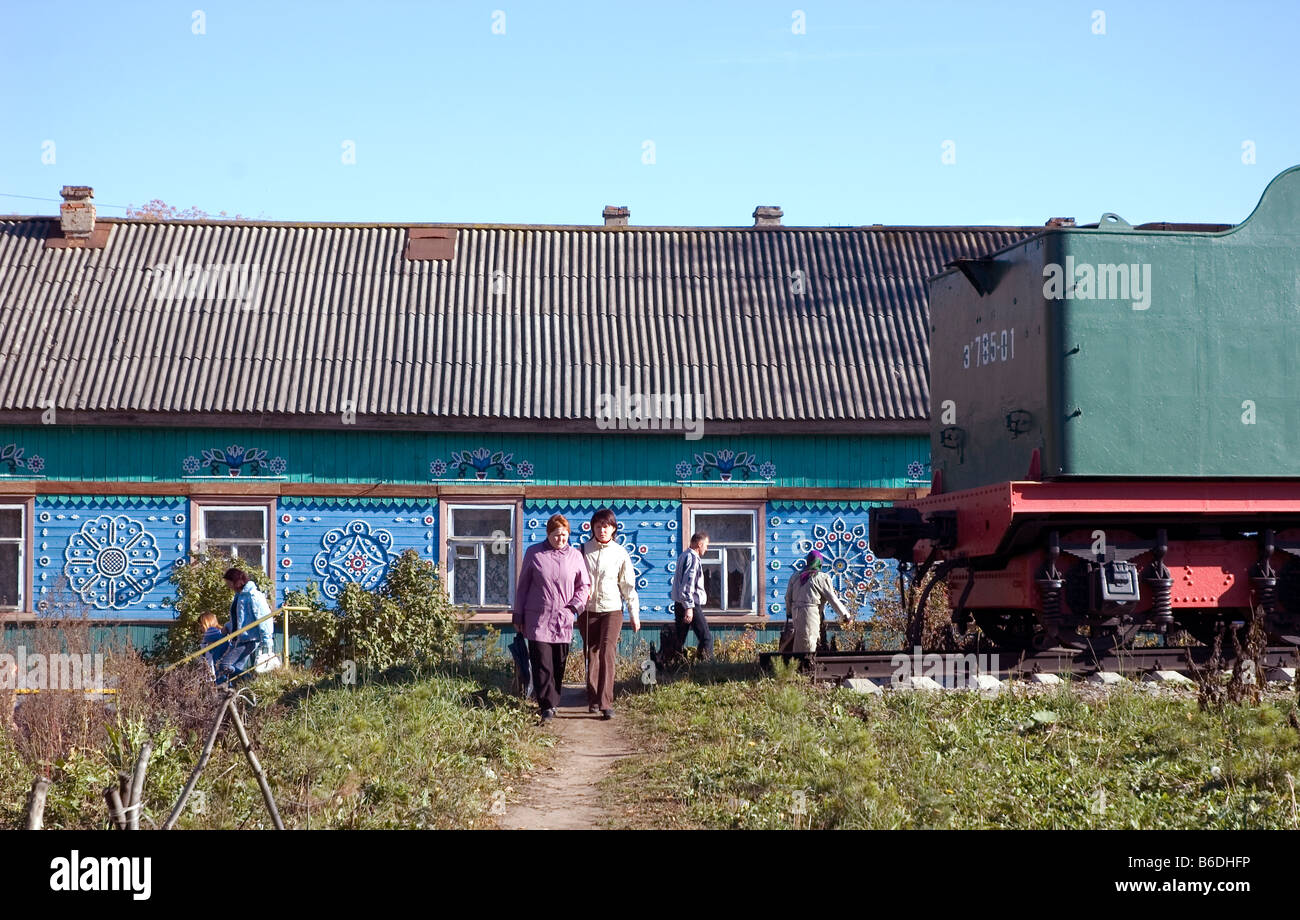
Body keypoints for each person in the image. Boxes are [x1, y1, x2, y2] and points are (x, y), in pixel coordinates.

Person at [512, 514, 591, 722]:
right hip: (537, 617)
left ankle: (553, 701)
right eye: (556, 535)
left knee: (558, 663)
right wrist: (518, 614)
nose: (560, 539)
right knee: (541, 662)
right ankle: (546, 705)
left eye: (564, 535)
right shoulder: (534, 553)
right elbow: (523, 587)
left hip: (563, 618)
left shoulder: (575, 556)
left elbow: (584, 586)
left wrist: (574, 606)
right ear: (548, 534)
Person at [579, 508, 640, 720]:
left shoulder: (620, 552)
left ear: (613, 528)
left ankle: (606, 702)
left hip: (612, 609)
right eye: (598, 526)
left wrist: (634, 614)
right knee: (592, 653)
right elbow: (574, 579)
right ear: (592, 528)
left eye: (606, 526)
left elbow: (628, 585)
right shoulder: (582, 550)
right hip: (588, 611)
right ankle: (593, 699)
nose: (602, 530)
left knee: (607, 651)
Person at [214, 567, 274, 685]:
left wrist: (267, 640)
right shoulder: (239, 596)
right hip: (239, 638)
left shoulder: (253, 596)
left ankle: (251, 680)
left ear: (235, 581)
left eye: (228, 583)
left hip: (249, 639)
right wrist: (228, 627)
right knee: (234, 672)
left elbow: (264, 618)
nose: (228, 586)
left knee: (225, 665)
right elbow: (239, 619)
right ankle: (234, 697)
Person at [784, 549, 850, 653]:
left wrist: (789, 613)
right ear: (819, 562)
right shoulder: (820, 578)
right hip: (809, 613)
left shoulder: (795, 576)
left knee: (798, 643)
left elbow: (788, 597)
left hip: (795, 613)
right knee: (809, 641)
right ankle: (807, 667)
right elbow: (832, 599)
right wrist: (845, 615)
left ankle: (797, 666)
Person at [670, 531, 713, 661]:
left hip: (679, 603)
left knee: (679, 638)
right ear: (699, 544)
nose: (707, 548)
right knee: (706, 638)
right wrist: (689, 607)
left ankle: (670, 665)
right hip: (690, 604)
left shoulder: (683, 555)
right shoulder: (693, 558)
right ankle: (705, 667)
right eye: (706, 545)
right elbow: (688, 584)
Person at [198, 612, 229, 678]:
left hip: (218, 673)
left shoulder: (222, 635)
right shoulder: (205, 639)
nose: (200, 628)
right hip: (210, 674)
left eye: (201, 625)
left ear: (207, 623)